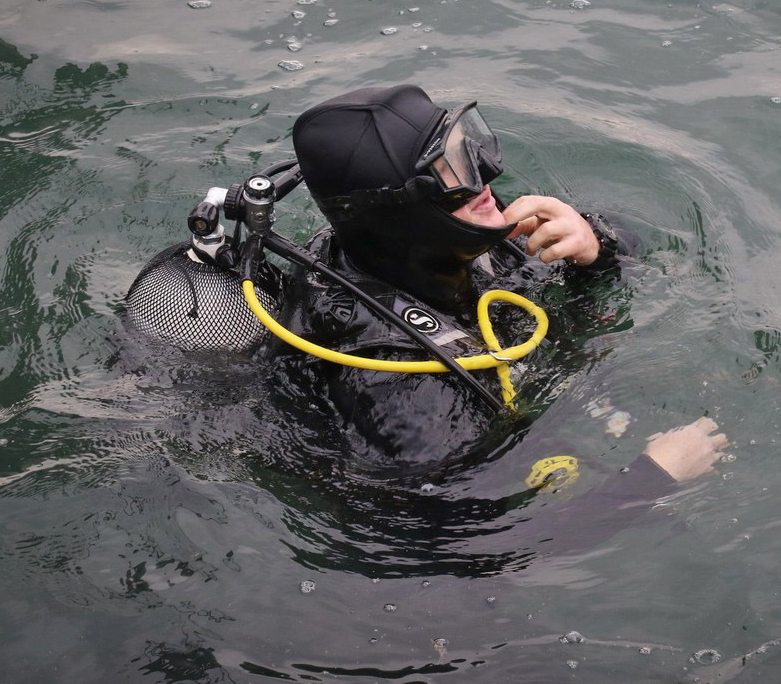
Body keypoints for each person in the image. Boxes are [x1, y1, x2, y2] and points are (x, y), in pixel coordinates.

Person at [271, 84, 727, 491]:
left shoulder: (443, 236)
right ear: (403, 211)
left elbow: (632, 255)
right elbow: (466, 550)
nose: (485, 173)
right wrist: (649, 481)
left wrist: (595, 246)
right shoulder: (399, 391)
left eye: (469, 146)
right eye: (452, 166)